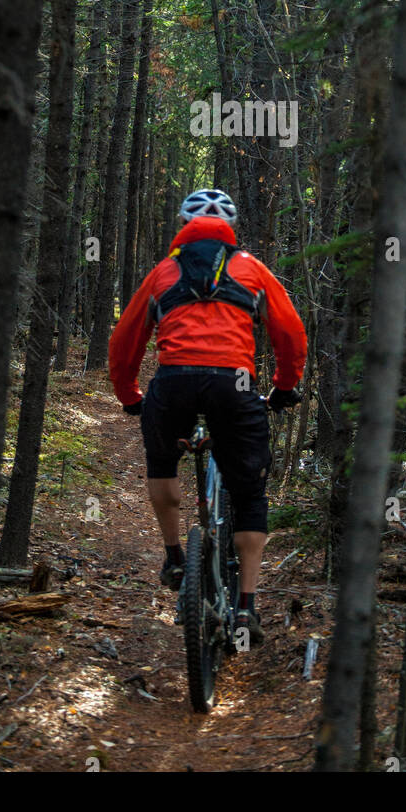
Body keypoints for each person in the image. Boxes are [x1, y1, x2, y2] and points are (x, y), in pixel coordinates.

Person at [108, 188, 307, 644]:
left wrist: (131, 396)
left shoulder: (163, 272)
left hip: (174, 380)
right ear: (230, 230)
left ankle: (175, 556)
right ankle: (246, 609)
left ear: (183, 225)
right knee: (251, 492)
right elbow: (291, 332)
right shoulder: (252, 270)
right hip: (233, 385)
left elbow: (124, 341)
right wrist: (283, 387)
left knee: (161, 462)